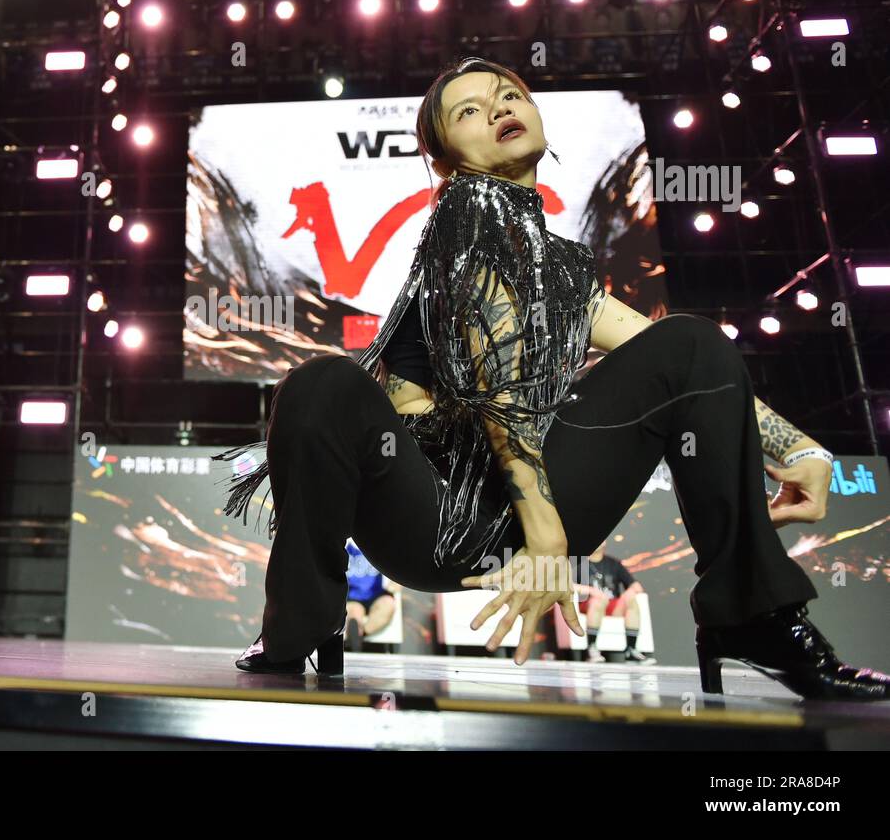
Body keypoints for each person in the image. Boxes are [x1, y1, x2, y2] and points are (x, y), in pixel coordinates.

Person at [217, 56, 890, 701]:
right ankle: (303, 621)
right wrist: (543, 528)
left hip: (525, 501)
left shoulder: (562, 265)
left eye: (508, 96)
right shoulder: (464, 215)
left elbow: (677, 359)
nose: (499, 109)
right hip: (432, 508)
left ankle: (750, 613)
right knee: (323, 382)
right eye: (469, 111)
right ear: (445, 160)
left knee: (688, 342)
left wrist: (796, 449)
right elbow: (496, 375)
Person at [577, 542, 653, 664]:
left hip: (611, 606)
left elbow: (637, 586)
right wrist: (590, 590)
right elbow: (566, 585)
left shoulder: (613, 563)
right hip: (588, 605)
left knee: (631, 600)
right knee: (598, 601)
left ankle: (631, 650)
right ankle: (591, 648)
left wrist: (630, 591)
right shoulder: (579, 562)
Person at [344, 539, 397, 652]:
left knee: (388, 605)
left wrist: (394, 586)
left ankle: (359, 635)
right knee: (354, 613)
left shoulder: (379, 545)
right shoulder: (345, 545)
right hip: (352, 596)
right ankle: (356, 632)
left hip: (376, 594)